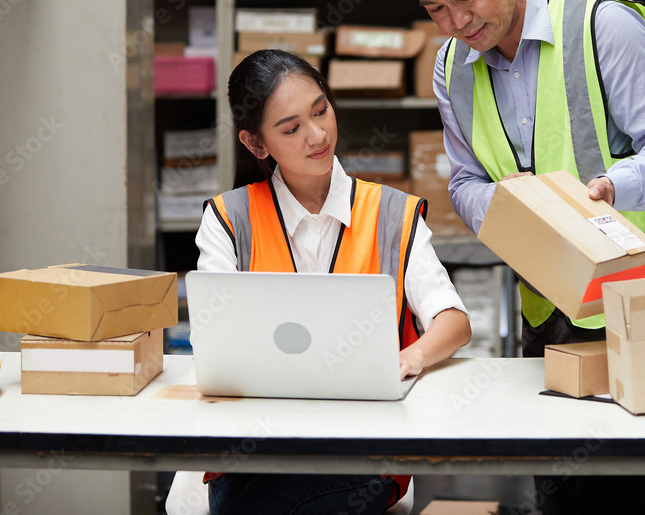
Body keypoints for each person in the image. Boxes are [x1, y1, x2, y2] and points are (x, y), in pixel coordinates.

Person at [393, 0, 645, 514]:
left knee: (622, 501)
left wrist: (613, 189)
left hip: (643, 304)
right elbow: (464, 181)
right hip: (551, 311)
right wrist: (514, 214)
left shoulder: (601, 25)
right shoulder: (452, 67)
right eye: (435, 9)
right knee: (558, 497)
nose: (456, 22)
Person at [195, 49, 472, 515]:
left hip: (363, 453)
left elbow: (454, 321)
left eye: (321, 110)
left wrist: (409, 358)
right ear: (256, 143)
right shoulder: (228, 219)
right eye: (291, 128)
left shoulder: (392, 214)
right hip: (257, 453)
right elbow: (218, 344)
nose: (318, 134)